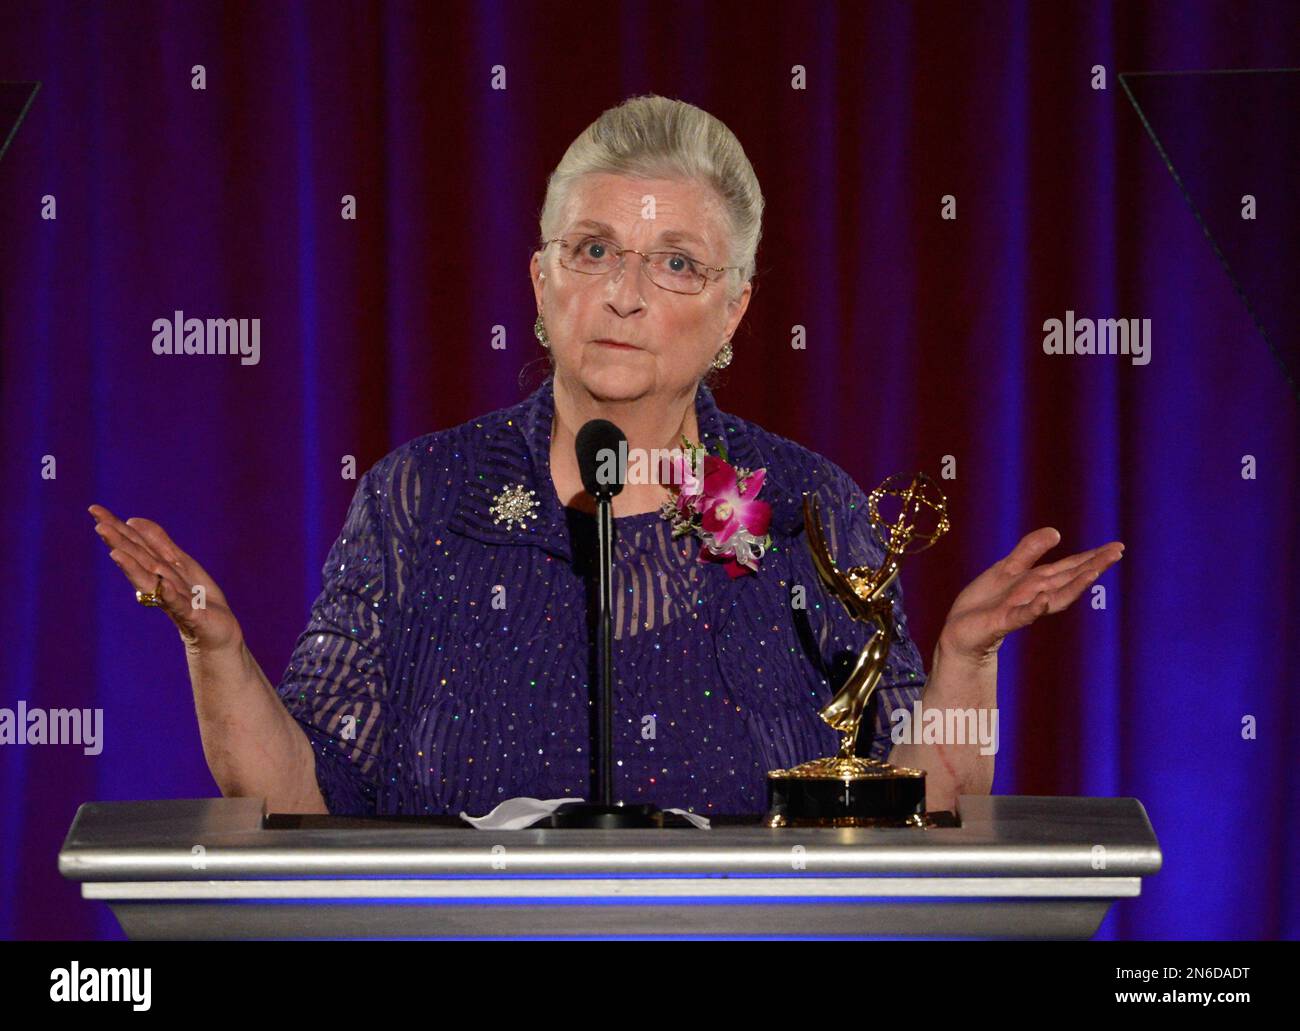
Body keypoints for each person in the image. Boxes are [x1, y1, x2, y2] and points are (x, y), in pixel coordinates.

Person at [88, 94, 1123, 817]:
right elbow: (303, 801)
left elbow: (914, 809)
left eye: (675, 263)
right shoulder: (423, 497)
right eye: (594, 251)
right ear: (542, 281)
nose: (623, 292)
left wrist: (964, 664)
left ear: (734, 309)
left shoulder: (807, 506)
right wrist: (216, 655)